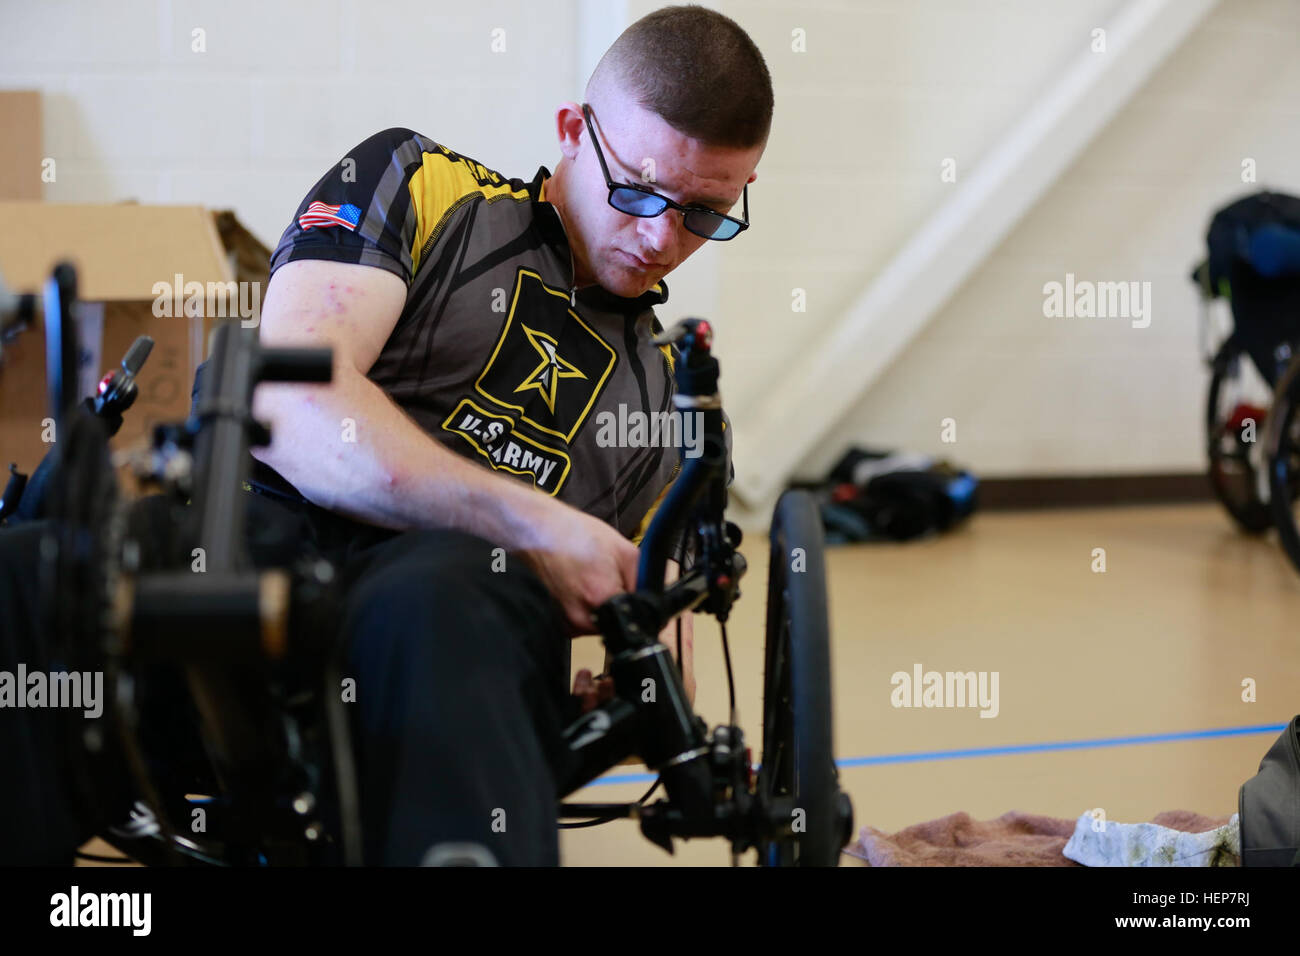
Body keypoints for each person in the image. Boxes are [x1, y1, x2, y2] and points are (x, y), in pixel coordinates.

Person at [0, 3, 772, 866]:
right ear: (570, 131)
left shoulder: (662, 396)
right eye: (637, 189)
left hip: (452, 625)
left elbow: (658, 611)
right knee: (38, 573)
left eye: (706, 215)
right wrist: (537, 523)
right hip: (255, 554)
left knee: (438, 589)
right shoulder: (418, 183)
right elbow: (289, 406)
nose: (663, 237)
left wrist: (645, 663)